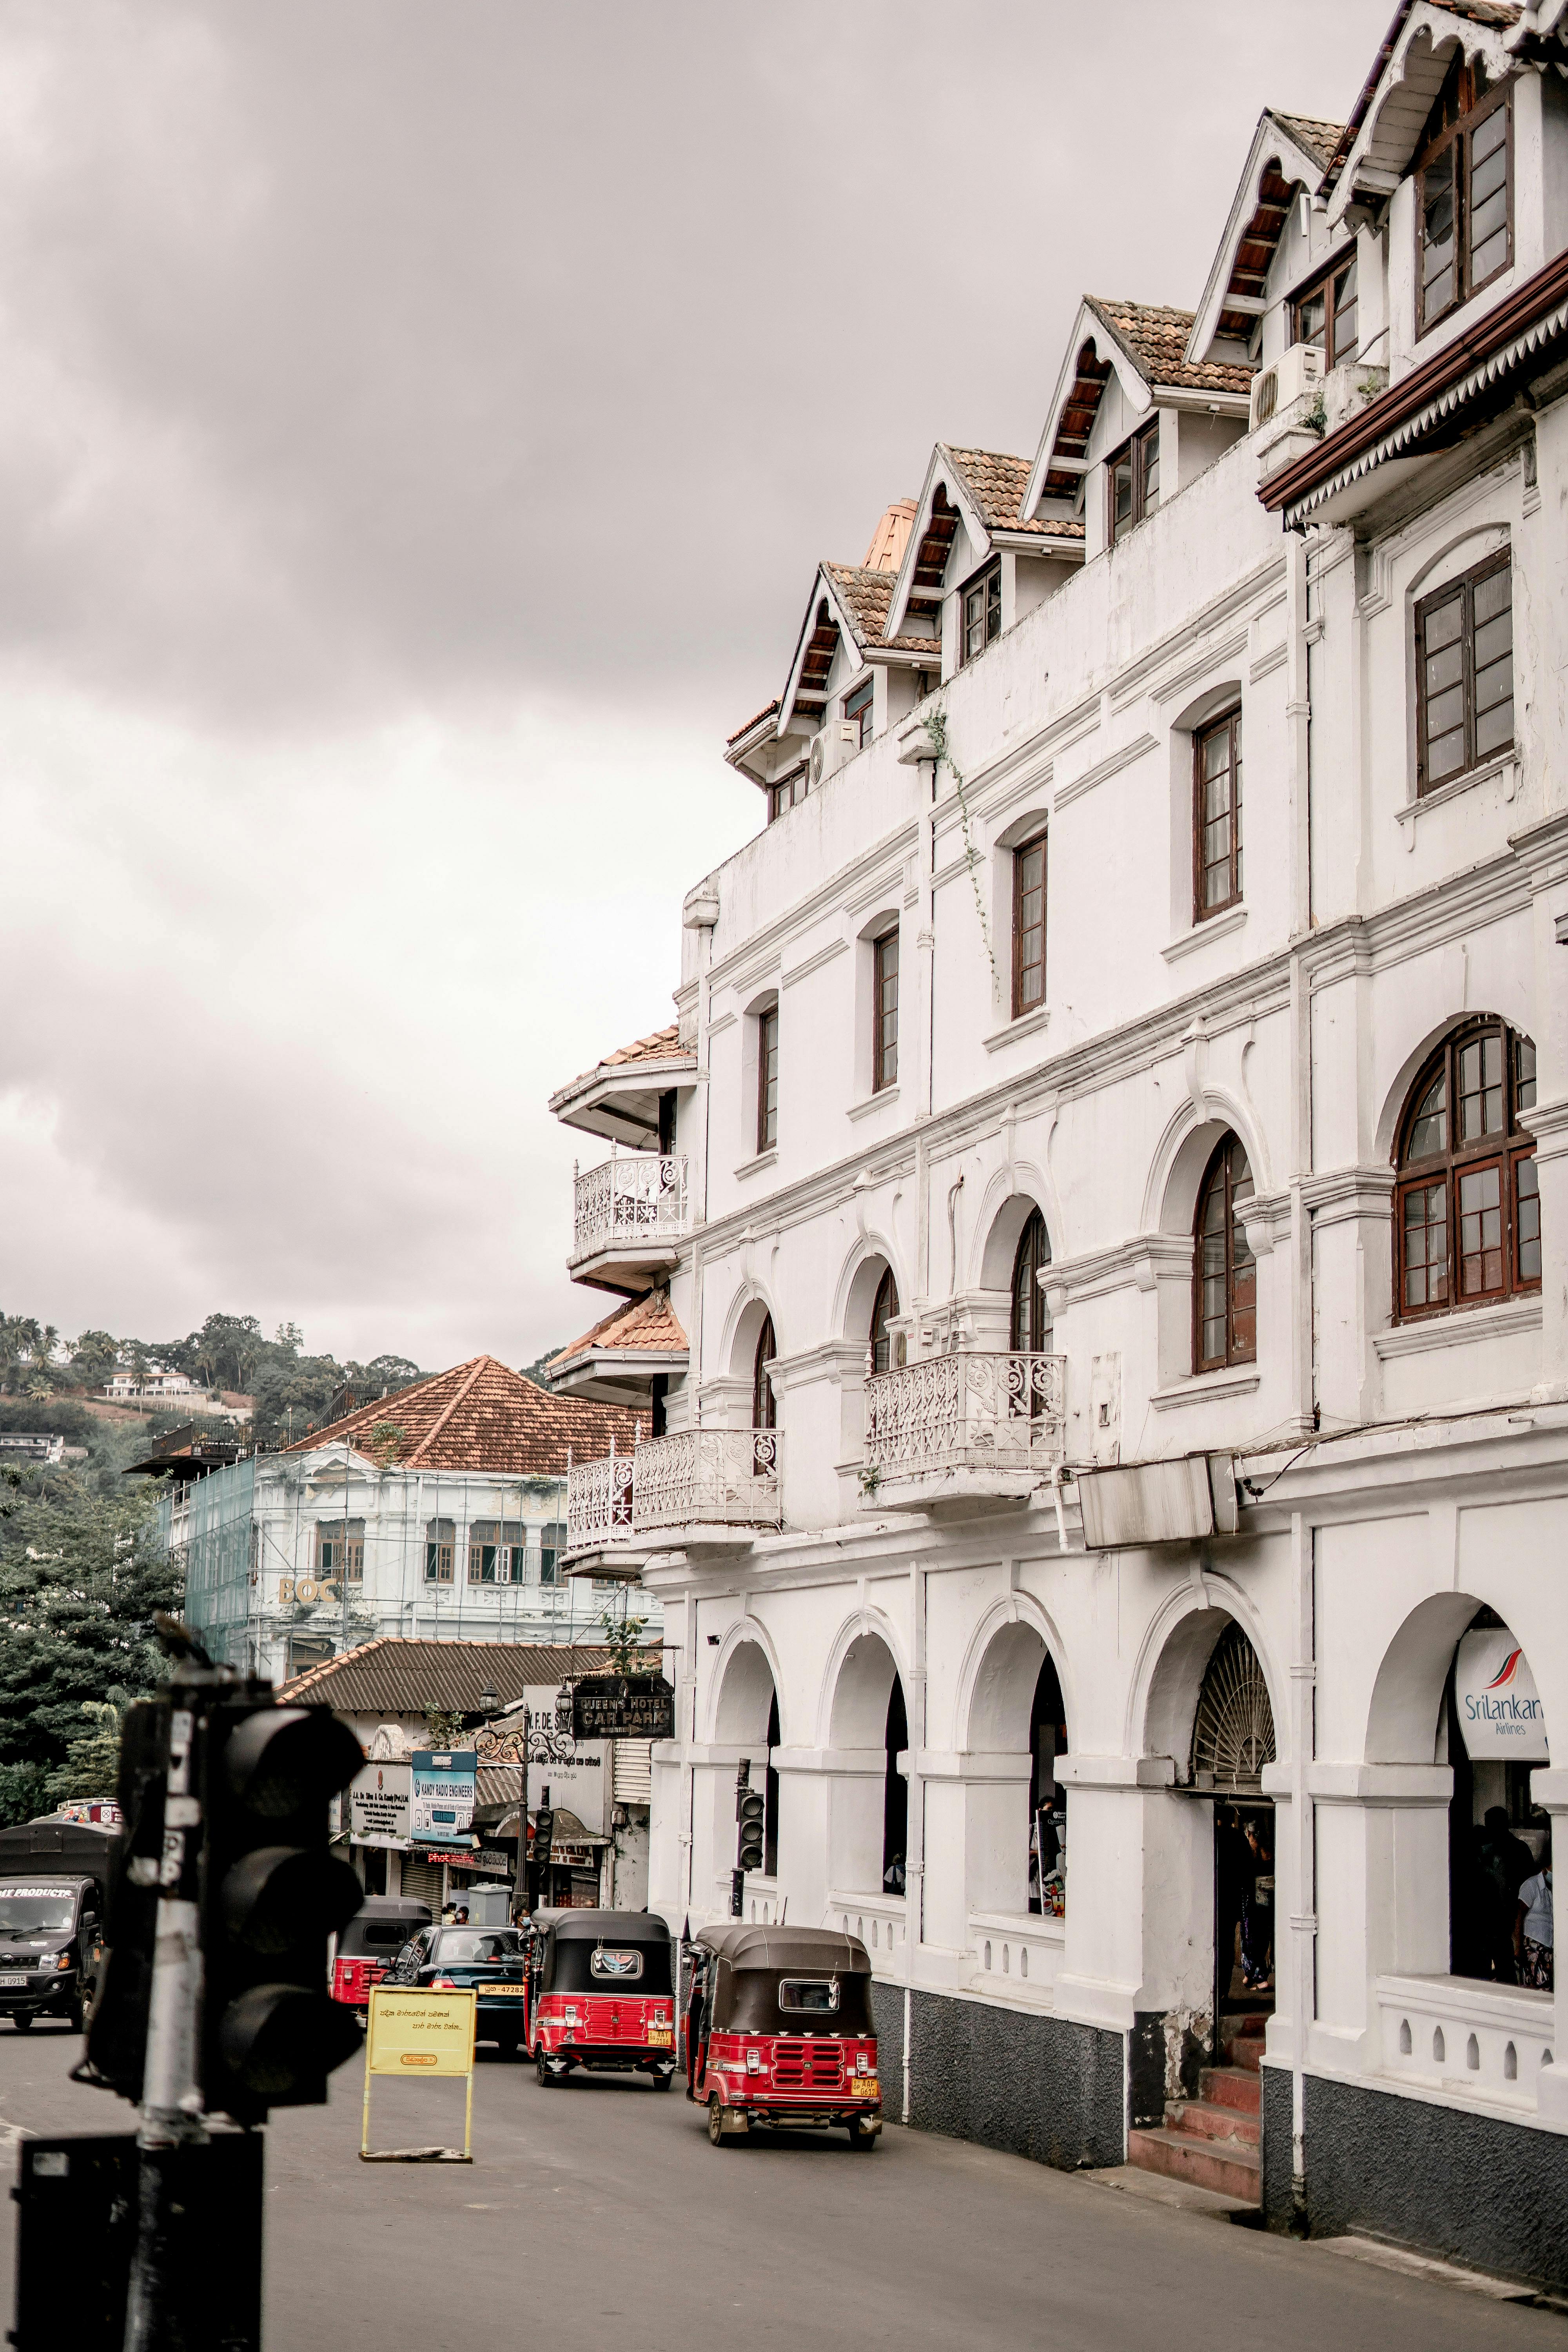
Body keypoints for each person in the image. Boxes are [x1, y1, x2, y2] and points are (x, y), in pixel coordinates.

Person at [1239, 1815, 1274, 1994]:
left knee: (1258, 1937)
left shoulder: (1263, 1851)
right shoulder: (1251, 1851)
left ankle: (1257, 1974)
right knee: (1250, 1937)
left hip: (1261, 1901)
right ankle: (1253, 1973)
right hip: (1252, 1901)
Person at [1516, 1832, 1553, 1993]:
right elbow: (1519, 1916)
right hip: (1534, 1947)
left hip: (1550, 1949)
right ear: (1545, 1870)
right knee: (1535, 1992)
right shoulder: (1531, 1886)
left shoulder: (1556, 1890)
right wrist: (1517, 1947)